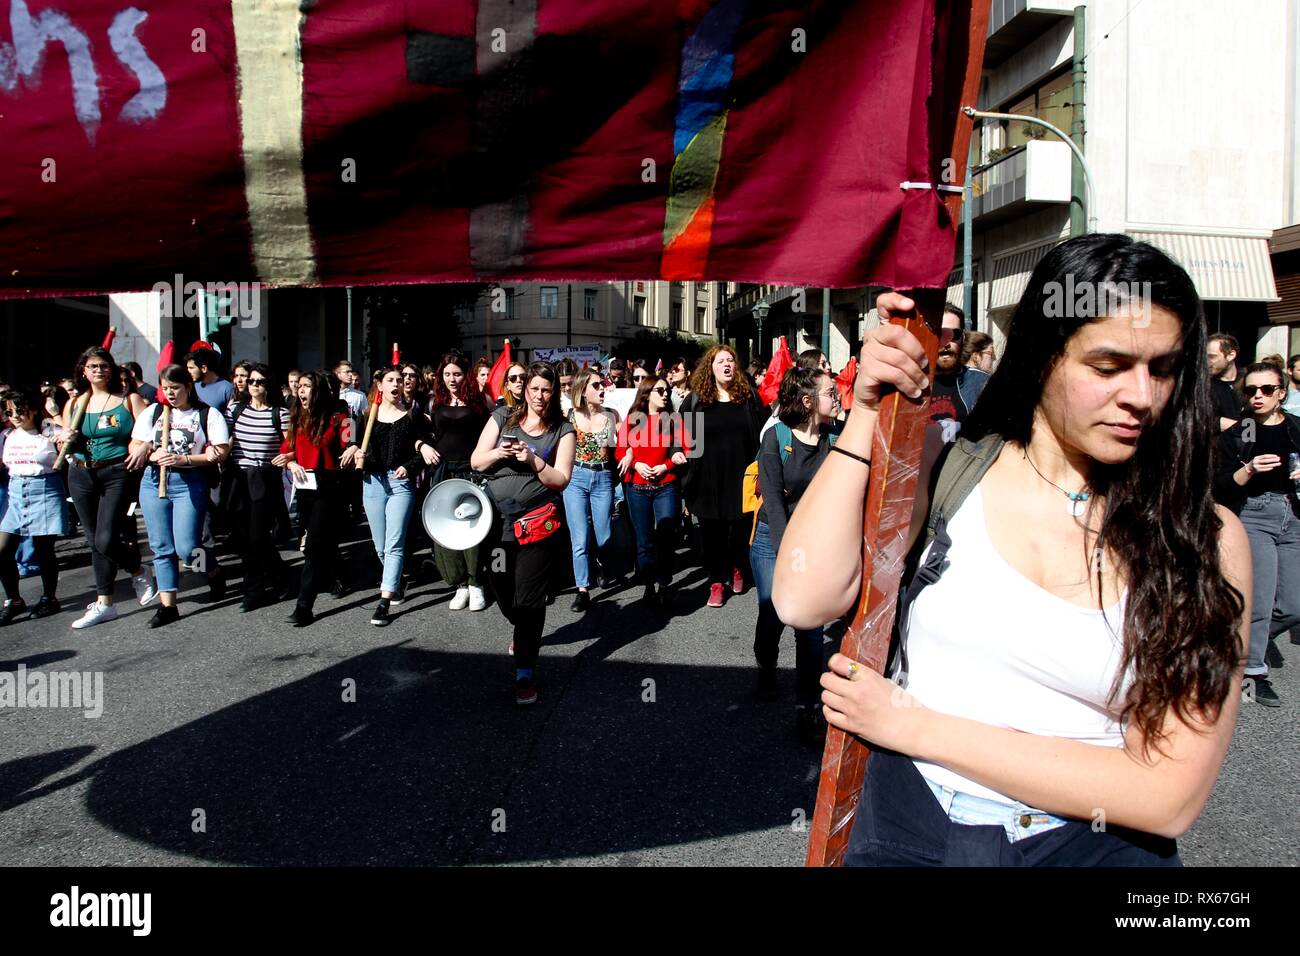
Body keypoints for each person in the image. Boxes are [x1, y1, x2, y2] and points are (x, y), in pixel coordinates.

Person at [775, 234, 1249, 867]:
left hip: (1090, 849)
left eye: (1162, 368)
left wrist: (912, 726)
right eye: (1108, 366)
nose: (1141, 395)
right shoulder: (949, 471)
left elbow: (1165, 795)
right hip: (907, 829)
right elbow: (803, 599)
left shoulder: (1204, 540)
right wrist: (866, 410)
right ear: (1042, 357)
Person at [470, 362, 576, 705]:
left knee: (529, 600)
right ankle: (524, 630)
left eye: (547, 390)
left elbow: (561, 479)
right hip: (497, 527)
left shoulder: (563, 430)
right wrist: (500, 451)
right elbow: (476, 461)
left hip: (536, 526)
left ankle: (525, 670)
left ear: (554, 392)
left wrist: (532, 460)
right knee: (503, 591)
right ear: (524, 390)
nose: (540, 396)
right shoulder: (502, 417)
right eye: (534, 389)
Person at [750, 366, 842, 739]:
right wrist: (790, 554)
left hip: (815, 541)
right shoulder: (776, 437)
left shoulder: (836, 437)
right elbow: (772, 500)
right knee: (773, 612)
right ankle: (766, 667)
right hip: (774, 537)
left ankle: (808, 707)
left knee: (810, 628)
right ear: (808, 401)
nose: (838, 398)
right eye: (831, 393)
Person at [1213, 362, 1300, 708]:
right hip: (1255, 514)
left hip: (1293, 514)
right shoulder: (1242, 431)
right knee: (1260, 600)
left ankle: (1240, 639)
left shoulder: (1296, 428)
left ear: (1281, 393)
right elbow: (1218, 484)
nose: (1257, 396)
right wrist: (1247, 470)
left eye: (1266, 390)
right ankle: (1252, 673)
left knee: (1294, 606)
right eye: (1250, 391)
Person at [130, 365, 231, 628]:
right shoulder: (153, 412)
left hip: (190, 481)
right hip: (154, 482)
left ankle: (212, 569)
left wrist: (184, 458)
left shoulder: (207, 414)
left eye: (175, 387)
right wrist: (150, 454)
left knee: (188, 548)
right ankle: (168, 606)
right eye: (166, 388)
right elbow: (136, 443)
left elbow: (219, 451)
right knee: (161, 546)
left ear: (188, 387)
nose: (170, 393)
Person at [62, 347, 156, 629]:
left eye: (104, 366)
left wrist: (144, 447)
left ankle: (139, 571)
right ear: (83, 371)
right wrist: (64, 436)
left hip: (117, 473)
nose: (99, 371)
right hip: (80, 473)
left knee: (105, 539)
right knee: (93, 541)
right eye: (93, 366)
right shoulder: (76, 403)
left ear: (112, 369)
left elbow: (153, 432)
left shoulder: (130, 399)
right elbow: (67, 438)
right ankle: (105, 603)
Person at [680, 345, 766, 608]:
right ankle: (716, 581)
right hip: (707, 478)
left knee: (740, 528)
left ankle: (737, 566)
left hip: (741, 478)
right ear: (711, 368)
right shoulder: (696, 400)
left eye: (730, 360)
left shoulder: (749, 397)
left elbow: (762, 436)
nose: (727, 365)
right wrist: (679, 459)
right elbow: (681, 436)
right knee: (712, 532)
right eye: (720, 361)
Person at [276, 371, 359, 626]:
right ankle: (340, 574)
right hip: (305, 488)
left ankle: (304, 606)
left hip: (330, 489)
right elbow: (286, 451)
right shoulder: (298, 417)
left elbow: (352, 442)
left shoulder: (342, 418)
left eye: (307, 386)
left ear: (320, 390)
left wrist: (354, 448)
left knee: (311, 547)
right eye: (299, 386)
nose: (301, 391)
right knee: (321, 541)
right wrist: (290, 465)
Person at [354, 367, 434, 625]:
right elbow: (355, 444)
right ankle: (395, 582)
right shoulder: (368, 417)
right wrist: (357, 453)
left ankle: (384, 601)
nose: (397, 384)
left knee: (394, 543)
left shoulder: (413, 416)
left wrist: (408, 467)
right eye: (391, 380)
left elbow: (421, 454)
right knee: (380, 546)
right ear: (380, 385)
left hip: (400, 484)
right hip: (373, 482)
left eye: (400, 380)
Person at [225, 363, 293, 613]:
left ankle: (254, 590)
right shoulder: (235, 409)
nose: (254, 385)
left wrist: (287, 457)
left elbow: (292, 445)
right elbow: (221, 437)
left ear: (269, 385)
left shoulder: (280, 413)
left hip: (264, 479)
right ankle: (279, 577)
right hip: (237, 479)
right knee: (243, 539)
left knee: (257, 536)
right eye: (251, 381)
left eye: (260, 381)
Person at [616, 375, 687, 606]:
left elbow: (685, 449)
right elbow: (619, 450)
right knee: (644, 540)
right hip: (637, 487)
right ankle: (648, 584)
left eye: (667, 390)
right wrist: (635, 462)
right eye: (660, 391)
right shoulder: (632, 419)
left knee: (666, 537)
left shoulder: (674, 419)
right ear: (647, 394)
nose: (666, 394)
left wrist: (664, 466)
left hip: (665, 485)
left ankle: (664, 584)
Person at [429, 352, 492, 612]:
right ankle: (460, 584)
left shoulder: (480, 400)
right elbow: (428, 434)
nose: (452, 379)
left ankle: (477, 583)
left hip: (471, 473)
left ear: (465, 375)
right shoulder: (435, 402)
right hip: (443, 473)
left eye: (456, 374)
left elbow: (490, 435)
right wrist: (421, 445)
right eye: (447, 374)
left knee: (472, 530)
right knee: (446, 530)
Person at [0, 388, 66, 624]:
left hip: (44, 490)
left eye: (20, 410)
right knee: (2, 550)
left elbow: (70, 436)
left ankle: (49, 598)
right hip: (17, 494)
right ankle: (14, 600)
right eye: (9, 411)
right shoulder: (8, 435)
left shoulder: (48, 430)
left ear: (34, 409)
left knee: (43, 550)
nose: (15, 415)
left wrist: (57, 416)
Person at [563, 367, 620, 611]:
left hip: (603, 477)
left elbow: (622, 444)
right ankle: (582, 588)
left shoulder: (611, 415)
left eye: (602, 385)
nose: (602, 389)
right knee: (580, 537)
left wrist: (628, 453)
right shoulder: (569, 416)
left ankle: (602, 565)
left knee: (604, 533)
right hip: (576, 476)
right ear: (583, 391)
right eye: (596, 386)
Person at [927, 304, 989, 434]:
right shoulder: (909, 383)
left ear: (963, 338)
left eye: (955, 334)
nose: (947, 342)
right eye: (940, 333)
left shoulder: (983, 383)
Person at [1207, 333, 1248, 430]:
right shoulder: (1203, 385)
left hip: (1249, 442)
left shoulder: (1250, 381)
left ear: (1231, 355)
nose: (1206, 361)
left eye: (1212, 357)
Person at [184, 348, 236, 415]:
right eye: (187, 368)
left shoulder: (227, 389)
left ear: (204, 369)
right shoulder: (191, 386)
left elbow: (231, 417)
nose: (188, 372)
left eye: (191, 368)